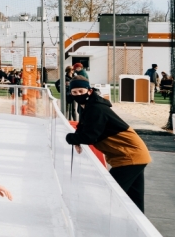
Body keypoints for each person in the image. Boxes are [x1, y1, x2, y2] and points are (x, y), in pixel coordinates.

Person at [65, 78, 151, 211]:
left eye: (81, 91)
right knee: (134, 199)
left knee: (109, 193)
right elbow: (83, 126)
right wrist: (77, 138)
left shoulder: (96, 108)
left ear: (89, 91)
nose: (77, 95)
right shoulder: (88, 106)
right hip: (132, 155)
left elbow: (90, 136)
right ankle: (136, 228)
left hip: (129, 156)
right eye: (74, 93)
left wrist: (70, 138)